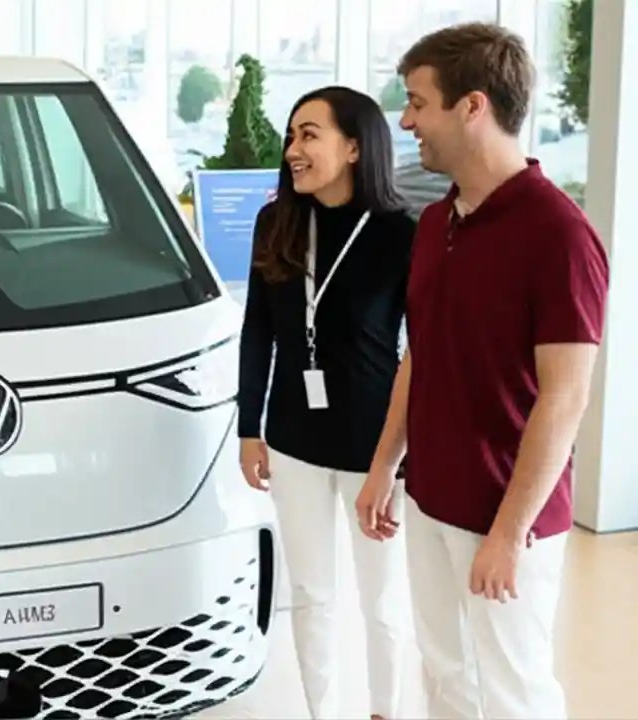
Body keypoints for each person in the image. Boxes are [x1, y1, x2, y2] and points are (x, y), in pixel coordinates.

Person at [355, 22, 609, 720]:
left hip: (506, 515)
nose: (404, 121)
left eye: (416, 102)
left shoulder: (559, 235)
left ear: (472, 106)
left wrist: (507, 532)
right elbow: (422, 352)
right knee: (446, 680)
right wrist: (386, 465)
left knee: (513, 691)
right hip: (432, 496)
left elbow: (566, 398)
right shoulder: (437, 223)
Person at [237, 85, 416, 720]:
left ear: (354, 146)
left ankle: (383, 711)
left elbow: (420, 353)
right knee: (312, 592)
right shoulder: (276, 222)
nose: (293, 150)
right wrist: (248, 428)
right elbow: (258, 327)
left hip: (378, 447)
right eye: (292, 136)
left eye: (309, 135)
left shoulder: (400, 233)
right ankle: (323, 711)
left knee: (382, 599)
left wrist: (399, 458)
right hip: (293, 439)